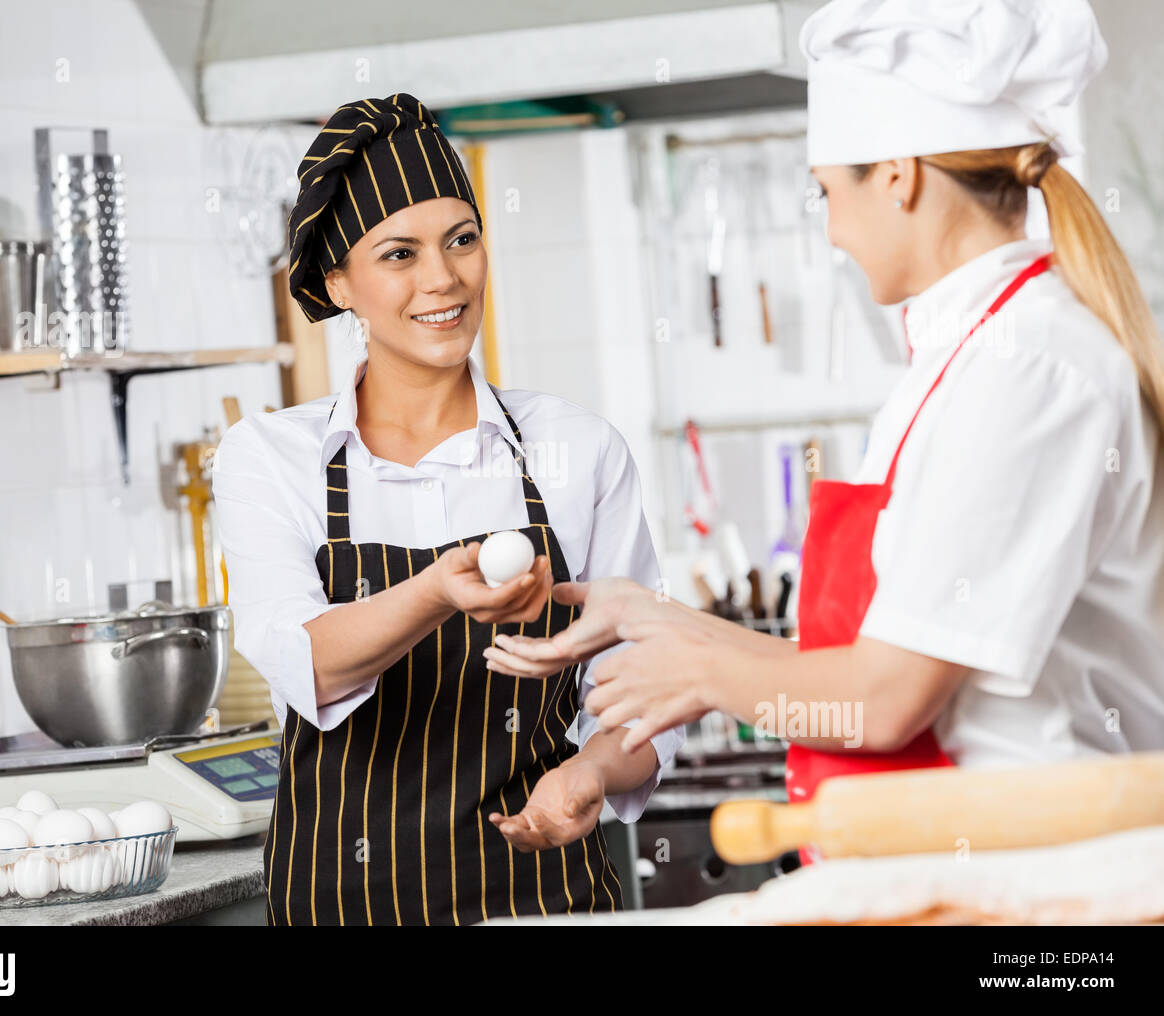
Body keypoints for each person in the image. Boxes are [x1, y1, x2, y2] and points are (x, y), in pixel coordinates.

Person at [486, 0, 1164, 862]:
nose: (832, 227)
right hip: (967, 867)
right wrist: (662, 622)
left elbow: (884, 702)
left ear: (897, 174)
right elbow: (876, 664)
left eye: (824, 191)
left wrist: (701, 673)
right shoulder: (971, 356)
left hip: (1034, 887)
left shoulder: (1024, 368)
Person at [211, 94, 682, 923]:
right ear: (337, 283)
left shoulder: (576, 451)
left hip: (543, 900)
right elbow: (305, 665)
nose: (444, 279)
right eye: (399, 253)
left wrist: (592, 772)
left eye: (462, 239)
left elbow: (643, 698)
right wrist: (435, 592)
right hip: (343, 909)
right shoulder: (272, 459)